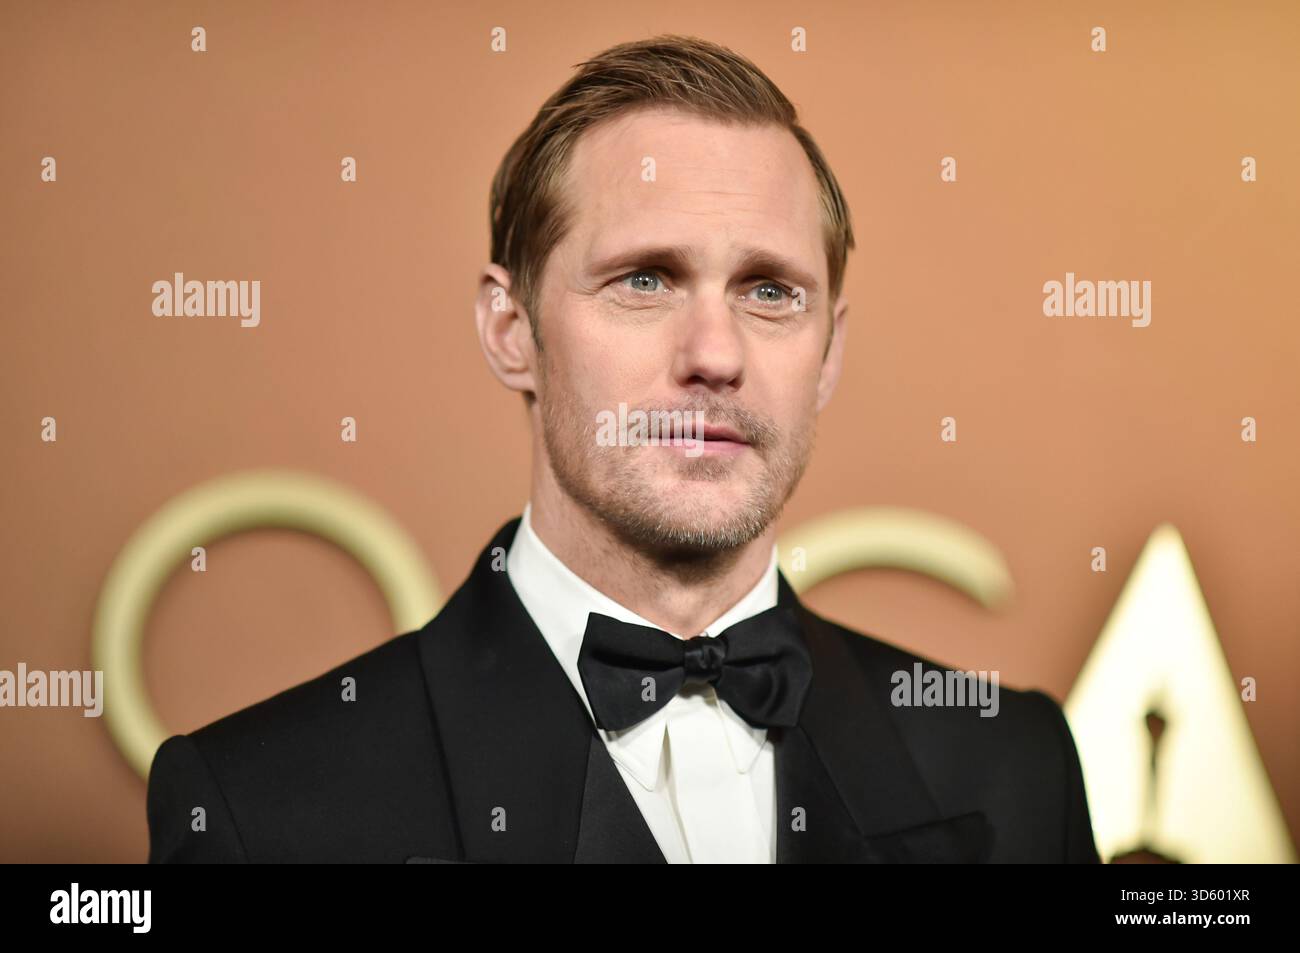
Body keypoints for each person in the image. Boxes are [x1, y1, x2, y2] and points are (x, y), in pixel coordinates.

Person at [147, 34, 1100, 863]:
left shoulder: (1015, 769)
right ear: (510, 327)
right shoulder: (256, 805)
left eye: (770, 291)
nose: (716, 355)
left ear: (829, 353)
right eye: (645, 279)